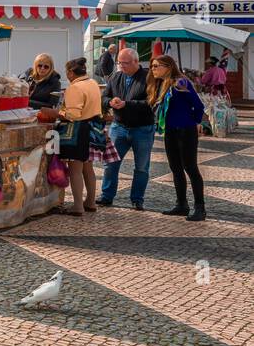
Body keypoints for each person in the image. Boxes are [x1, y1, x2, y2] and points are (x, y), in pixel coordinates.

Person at [149, 55, 207, 221]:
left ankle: (200, 208)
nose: (153, 69)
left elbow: (198, 105)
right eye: (152, 66)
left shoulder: (180, 82)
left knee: (190, 167)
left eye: (156, 66)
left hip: (185, 130)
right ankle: (181, 204)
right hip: (170, 131)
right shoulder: (161, 84)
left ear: (168, 67)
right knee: (175, 168)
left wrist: (195, 122)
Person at [96, 48, 153, 211]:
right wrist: (110, 102)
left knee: (141, 167)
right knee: (110, 164)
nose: (121, 66)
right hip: (119, 127)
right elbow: (104, 97)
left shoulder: (148, 77)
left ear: (136, 62)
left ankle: (137, 199)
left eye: (125, 63)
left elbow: (151, 102)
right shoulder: (116, 76)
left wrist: (127, 104)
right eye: (119, 63)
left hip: (142, 128)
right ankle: (107, 197)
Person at [56, 57, 101, 215]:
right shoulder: (93, 83)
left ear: (70, 73)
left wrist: (57, 112)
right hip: (95, 128)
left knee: (75, 169)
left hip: (80, 130)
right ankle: (90, 201)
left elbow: (73, 115)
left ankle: (77, 206)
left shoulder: (74, 88)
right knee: (88, 169)